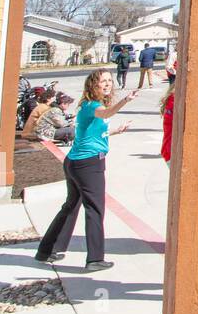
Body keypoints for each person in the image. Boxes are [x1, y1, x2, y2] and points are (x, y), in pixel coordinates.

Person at [35, 69, 136, 269]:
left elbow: (94, 133)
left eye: (109, 80)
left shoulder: (87, 106)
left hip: (76, 162)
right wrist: (125, 101)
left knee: (70, 206)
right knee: (95, 209)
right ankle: (95, 259)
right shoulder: (93, 106)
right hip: (88, 164)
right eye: (102, 81)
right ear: (93, 84)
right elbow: (106, 113)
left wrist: (116, 130)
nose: (107, 84)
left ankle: (47, 250)